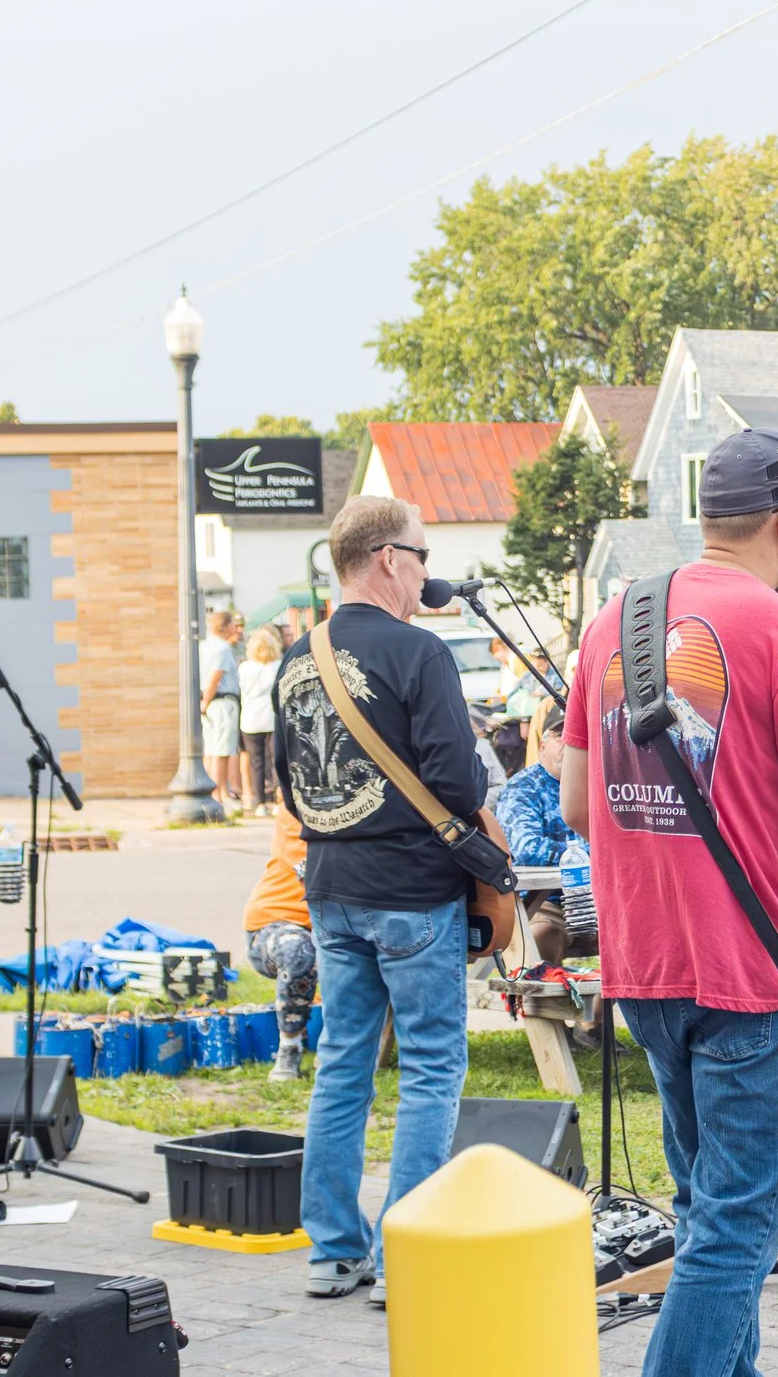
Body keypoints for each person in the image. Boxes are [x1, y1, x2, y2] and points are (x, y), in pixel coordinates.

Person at [558, 426, 778, 1377]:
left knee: (706, 1212)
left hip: (647, 972)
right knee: (734, 1235)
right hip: (751, 983)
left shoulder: (612, 620)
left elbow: (579, 803)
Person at [270, 494, 491, 1302]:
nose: (429, 574)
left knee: (342, 1065)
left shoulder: (295, 658)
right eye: (423, 556)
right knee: (432, 1066)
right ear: (388, 559)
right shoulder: (420, 653)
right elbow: (459, 782)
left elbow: (290, 789)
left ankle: (333, 1251)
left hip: (331, 886)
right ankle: (407, 1258)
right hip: (413, 892)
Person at [498, 705, 586, 967]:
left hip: (601, 900)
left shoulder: (597, 782)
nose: (569, 742)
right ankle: (544, 1007)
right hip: (547, 903)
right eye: (561, 736)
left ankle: (600, 1009)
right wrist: (588, 853)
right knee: (542, 936)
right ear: (542, 745)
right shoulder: (523, 787)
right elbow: (528, 849)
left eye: (575, 735)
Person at [243, 805, 319, 1081]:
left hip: (343, 924)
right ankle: (290, 1048)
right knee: (297, 952)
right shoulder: (303, 800)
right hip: (279, 921)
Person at [200, 609, 245, 811]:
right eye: (232, 625)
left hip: (210, 702)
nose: (235, 629)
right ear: (225, 626)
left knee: (212, 748)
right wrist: (206, 701)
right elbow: (215, 677)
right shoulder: (222, 648)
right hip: (222, 701)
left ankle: (216, 791)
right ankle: (218, 793)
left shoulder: (204, 646)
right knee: (222, 750)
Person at [237, 626, 284, 818]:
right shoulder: (279, 665)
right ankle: (279, 800)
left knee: (256, 762)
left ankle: (260, 803)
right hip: (272, 718)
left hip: (250, 718)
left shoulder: (245, 668)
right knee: (276, 760)